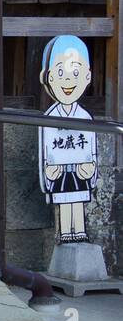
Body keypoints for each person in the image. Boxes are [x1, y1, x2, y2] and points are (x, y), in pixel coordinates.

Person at [38, 35, 99, 243]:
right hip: (61, 171)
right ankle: (65, 231)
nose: (68, 80)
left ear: (87, 77)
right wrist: (48, 170)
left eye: (75, 73)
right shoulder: (50, 117)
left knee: (79, 198)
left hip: (80, 170)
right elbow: (47, 150)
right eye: (61, 72)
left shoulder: (85, 117)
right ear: (49, 77)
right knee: (65, 200)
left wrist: (91, 168)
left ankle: (79, 230)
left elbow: (91, 149)